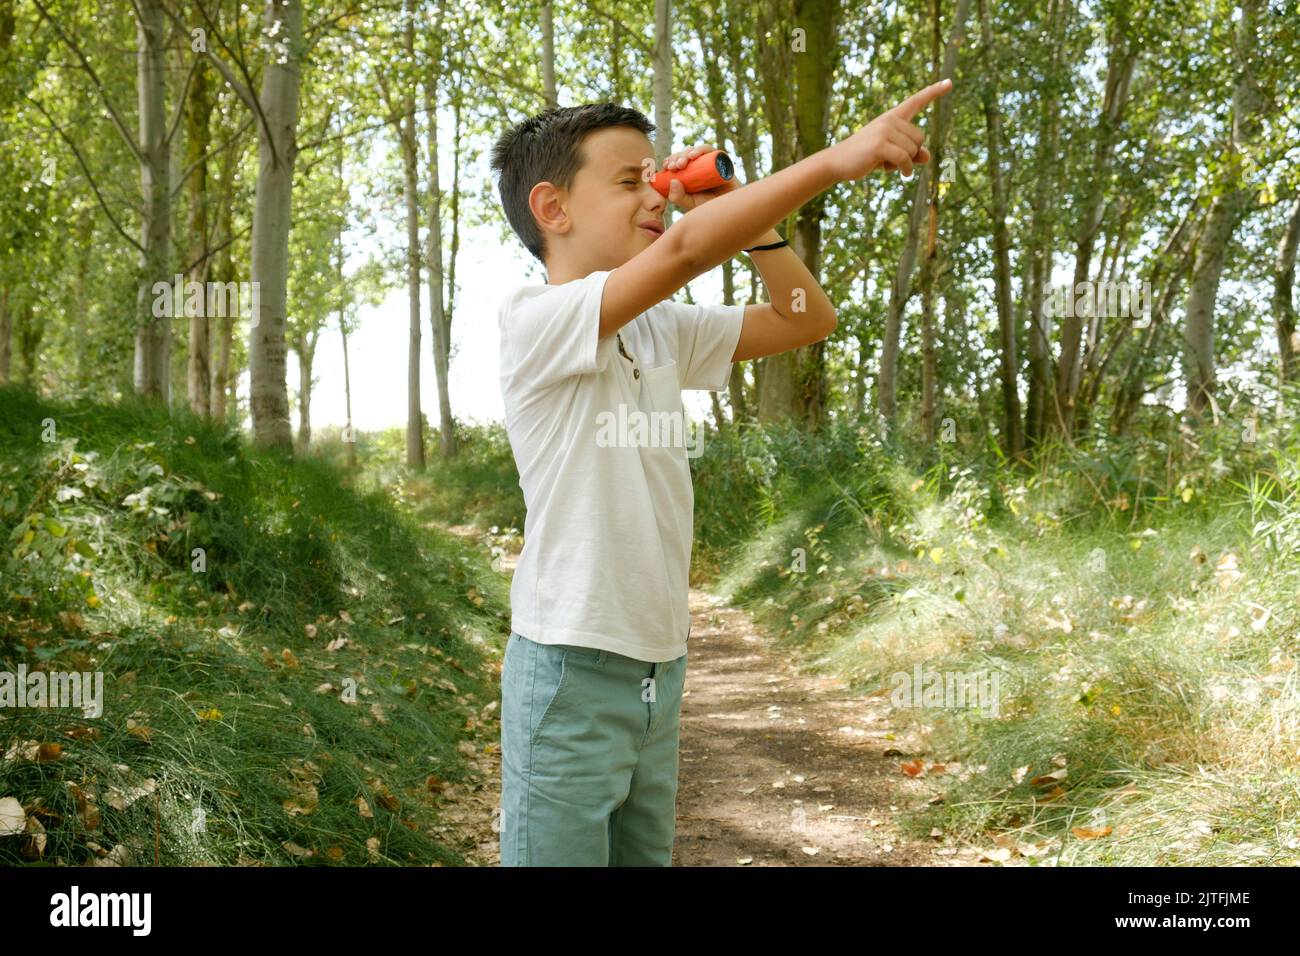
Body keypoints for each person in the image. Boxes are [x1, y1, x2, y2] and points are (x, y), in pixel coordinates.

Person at [489, 79, 952, 866]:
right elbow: (684, 251)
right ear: (553, 209)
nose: (657, 197)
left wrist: (750, 222)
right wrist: (837, 161)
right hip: (569, 663)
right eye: (630, 182)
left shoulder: (661, 326)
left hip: (658, 662)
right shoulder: (535, 320)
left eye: (657, 179)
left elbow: (808, 319)